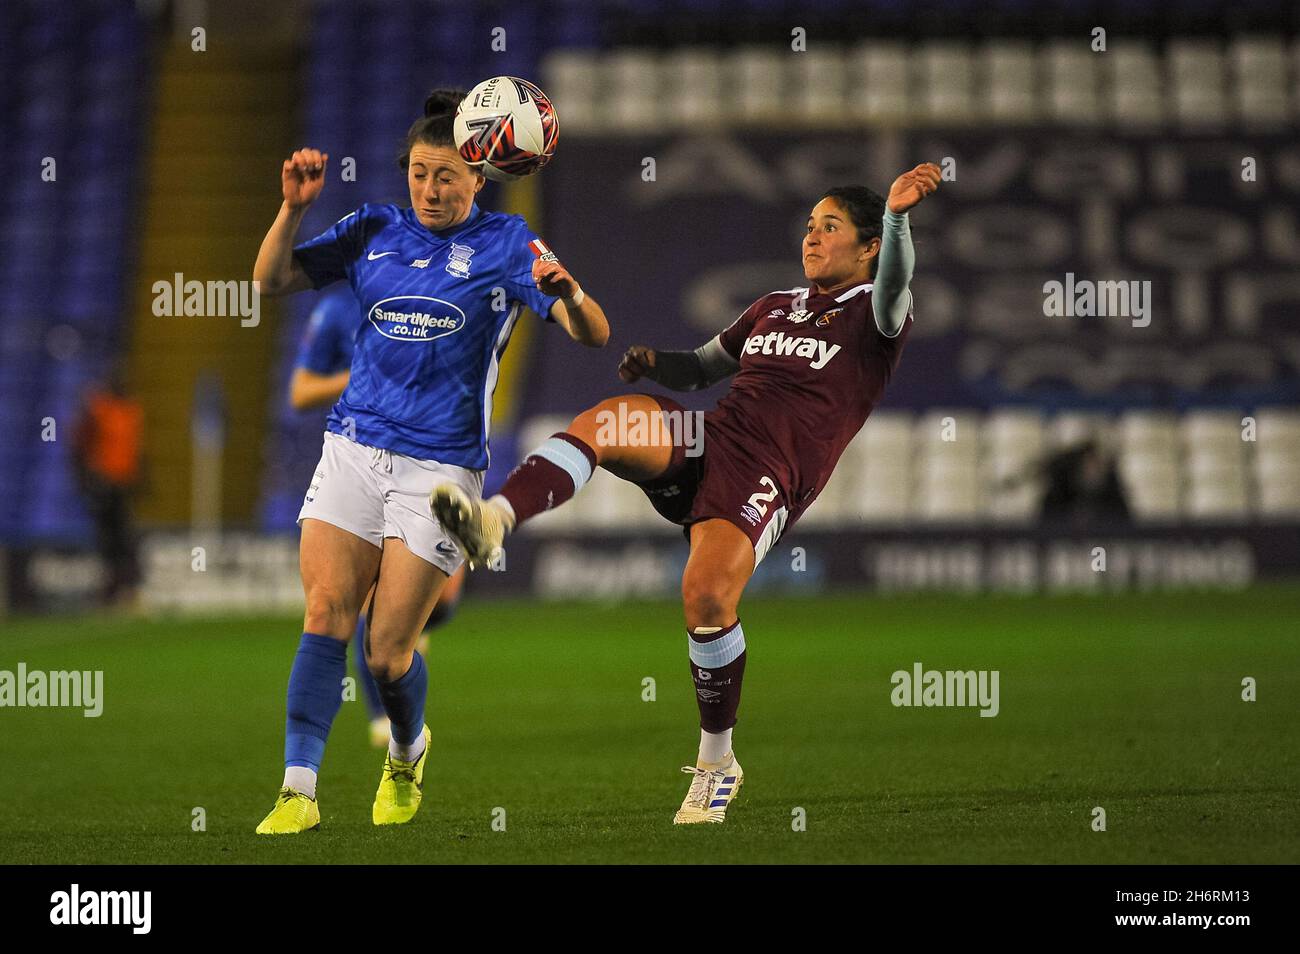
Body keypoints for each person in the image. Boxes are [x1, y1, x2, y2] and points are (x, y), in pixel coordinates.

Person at [433, 163, 940, 824]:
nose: (812, 237)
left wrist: (898, 216)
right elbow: (704, 368)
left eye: (831, 227)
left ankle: (716, 760)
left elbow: (898, 278)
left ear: (869, 246)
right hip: (712, 437)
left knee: (704, 598)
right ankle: (496, 518)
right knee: (611, 418)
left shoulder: (876, 314)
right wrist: (656, 363)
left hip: (768, 473)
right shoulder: (774, 305)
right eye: (811, 225)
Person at [252, 88, 610, 834]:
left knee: (386, 655)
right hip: (353, 448)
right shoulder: (373, 228)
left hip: (440, 470)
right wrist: (292, 210)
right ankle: (297, 791)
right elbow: (271, 281)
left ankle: (407, 752)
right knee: (324, 613)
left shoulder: (510, 244)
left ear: (478, 175)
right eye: (419, 172)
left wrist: (569, 293)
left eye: (446, 175)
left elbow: (594, 334)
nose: (431, 188)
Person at [288, 286, 469, 749]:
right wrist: (361, 378)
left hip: (432, 463)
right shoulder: (334, 310)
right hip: (361, 460)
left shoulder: (434, 305)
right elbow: (300, 391)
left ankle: (403, 658)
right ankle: (384, 723)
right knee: (355, 607)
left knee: (439, 605)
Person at [72, 367, 145, 607]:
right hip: (103, 484)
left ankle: (127, 591)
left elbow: (135, 450)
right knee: (109, 540)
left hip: (123, 484)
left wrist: (142, 478)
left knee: (126, 539)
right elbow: (79, 443)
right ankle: (110, 593)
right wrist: (85, 478)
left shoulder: (132, 411)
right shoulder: (98, 409)